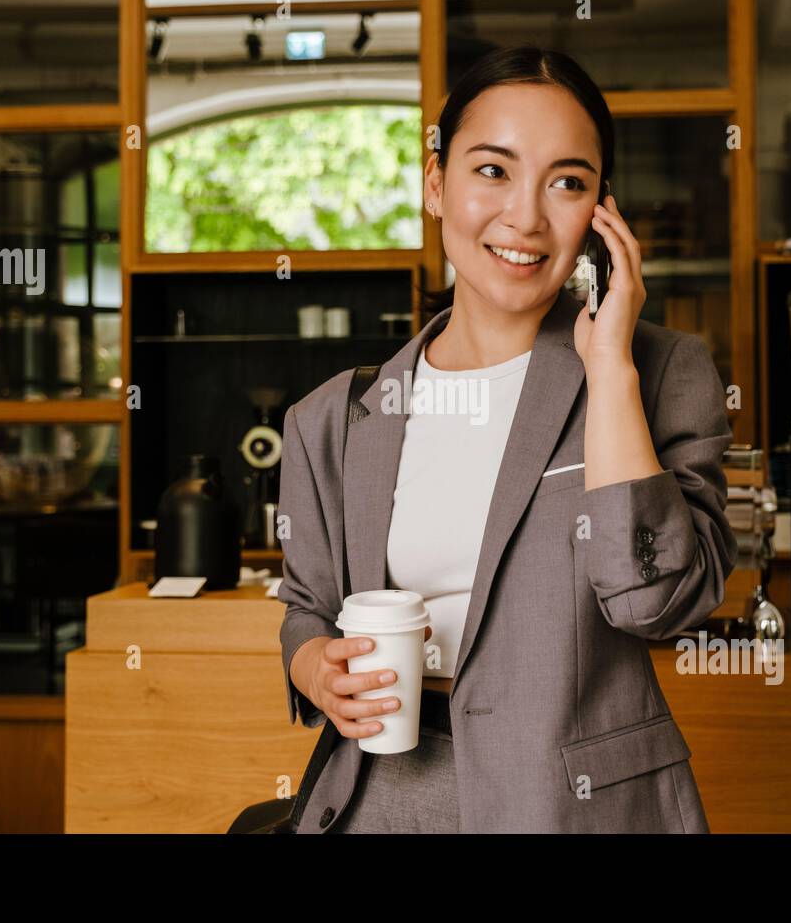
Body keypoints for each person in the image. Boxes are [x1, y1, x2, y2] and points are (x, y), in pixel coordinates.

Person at [276, 45, 737, 833]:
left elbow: (659, 605)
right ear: (435, 185)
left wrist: (610, 373)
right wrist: (313, 666)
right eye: (492, 170)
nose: (526, 216)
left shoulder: (659, 373)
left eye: (566, 182)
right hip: (379, 805)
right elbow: (306, 609)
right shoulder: (330, 418)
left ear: (601, 213)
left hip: (573, 812)